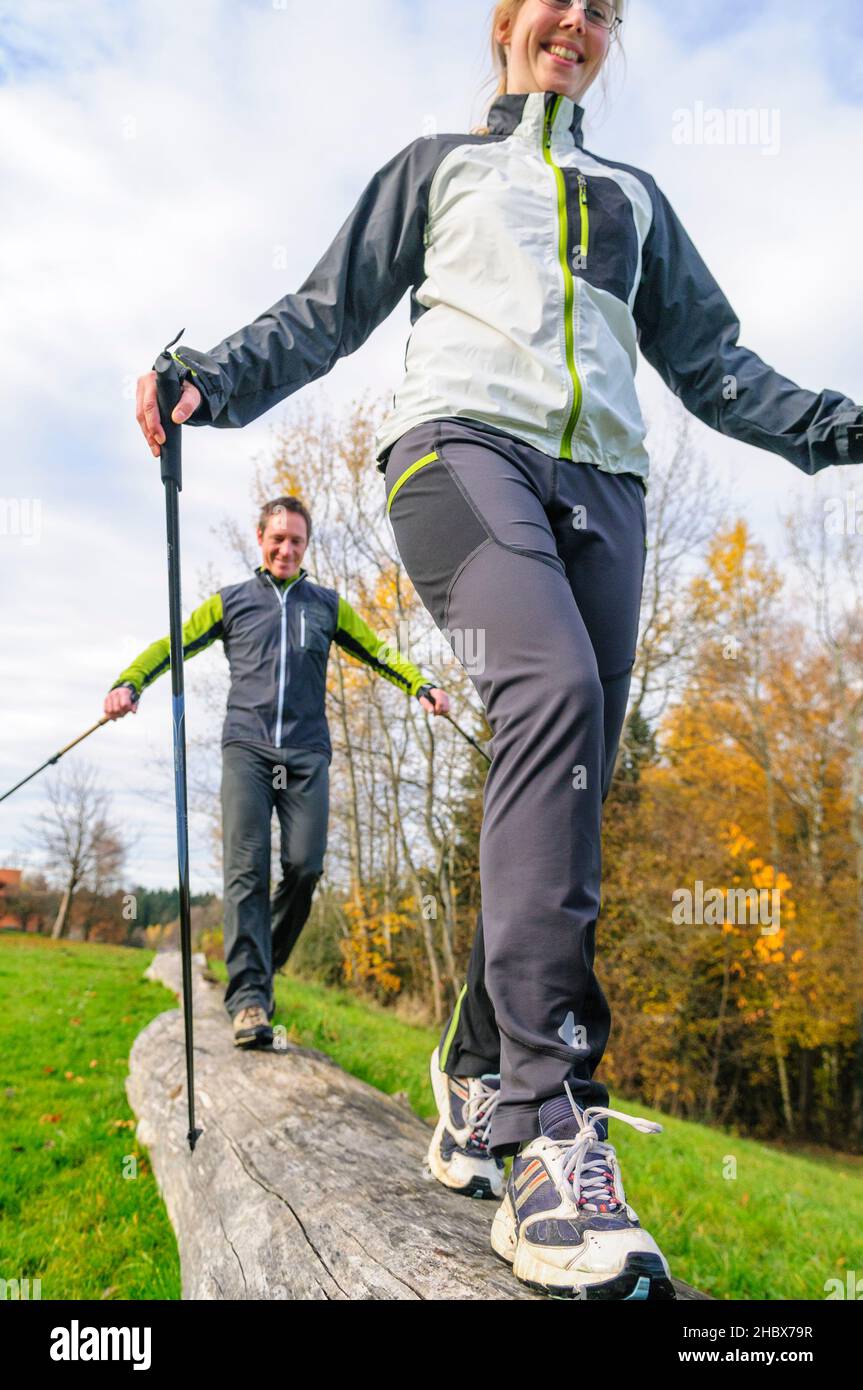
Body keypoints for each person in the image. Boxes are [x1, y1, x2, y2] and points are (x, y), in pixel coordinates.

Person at [134, 0, 863, 1298]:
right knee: (553, 688)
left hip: (610, 490)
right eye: (549, 0)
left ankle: (474, 1076)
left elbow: (715, 365)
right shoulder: (435, 172)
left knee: (568, 761)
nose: (569, 20)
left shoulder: (634, 199)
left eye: (595, 7)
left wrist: (838, 425)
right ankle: (541, 1125)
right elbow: (319, 313)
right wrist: (213, 379)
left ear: (606, 36)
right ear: (502, 23)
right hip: (456, 453)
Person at [104, 496, 449, 1048]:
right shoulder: (232, 602)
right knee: (246, 874)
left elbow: (380, 651)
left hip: (307, 754)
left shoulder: (328, 606)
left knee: (305, 865)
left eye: (297, 540)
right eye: (278, 538)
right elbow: (174, 643)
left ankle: (260, 966)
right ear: (259, 539)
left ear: (306, 546)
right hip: (247, 750)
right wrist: (130, 682)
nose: (287, 548)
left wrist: (420, 685)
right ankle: (248, 1002)